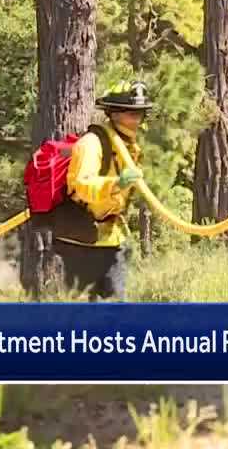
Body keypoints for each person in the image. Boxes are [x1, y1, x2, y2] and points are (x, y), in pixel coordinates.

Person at [52, 80, 153, 300]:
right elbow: (82, 184)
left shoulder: (129, 148)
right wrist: (115, 184)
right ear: (114, 114)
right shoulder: (91, 144)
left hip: (110, 240)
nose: (138, 120)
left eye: (140, 114)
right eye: (132, 114)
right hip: (79, 243)